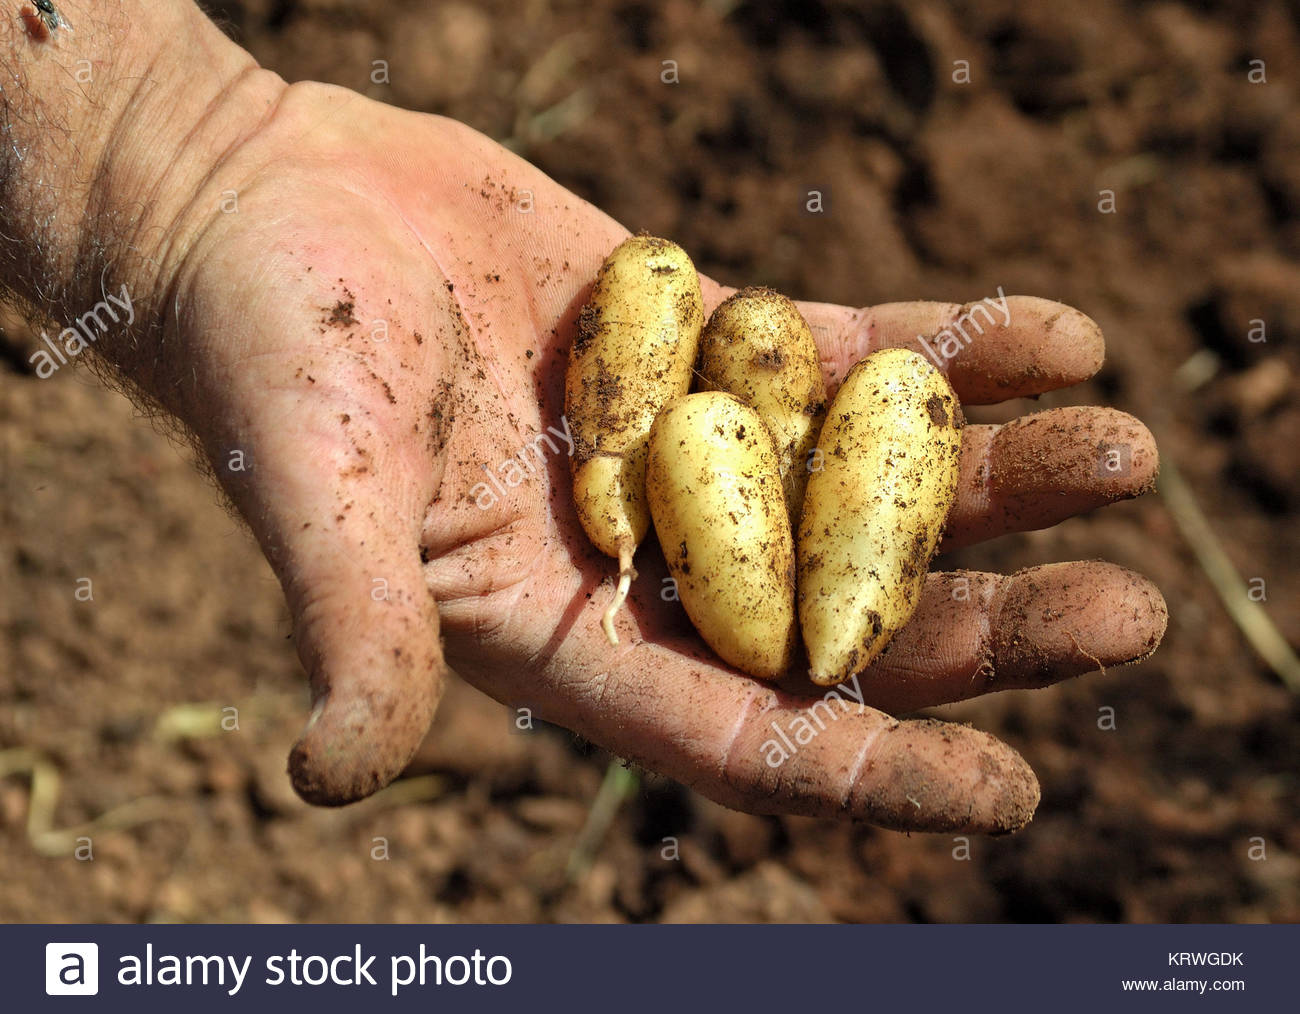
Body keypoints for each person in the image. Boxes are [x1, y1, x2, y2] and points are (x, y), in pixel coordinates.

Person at [1, 0, 1166, 834]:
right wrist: (162, 158)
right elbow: (699, 428)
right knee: (724, 432)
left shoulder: (742, 421)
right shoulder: (666, 436)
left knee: (826, 420)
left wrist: (166, 138)